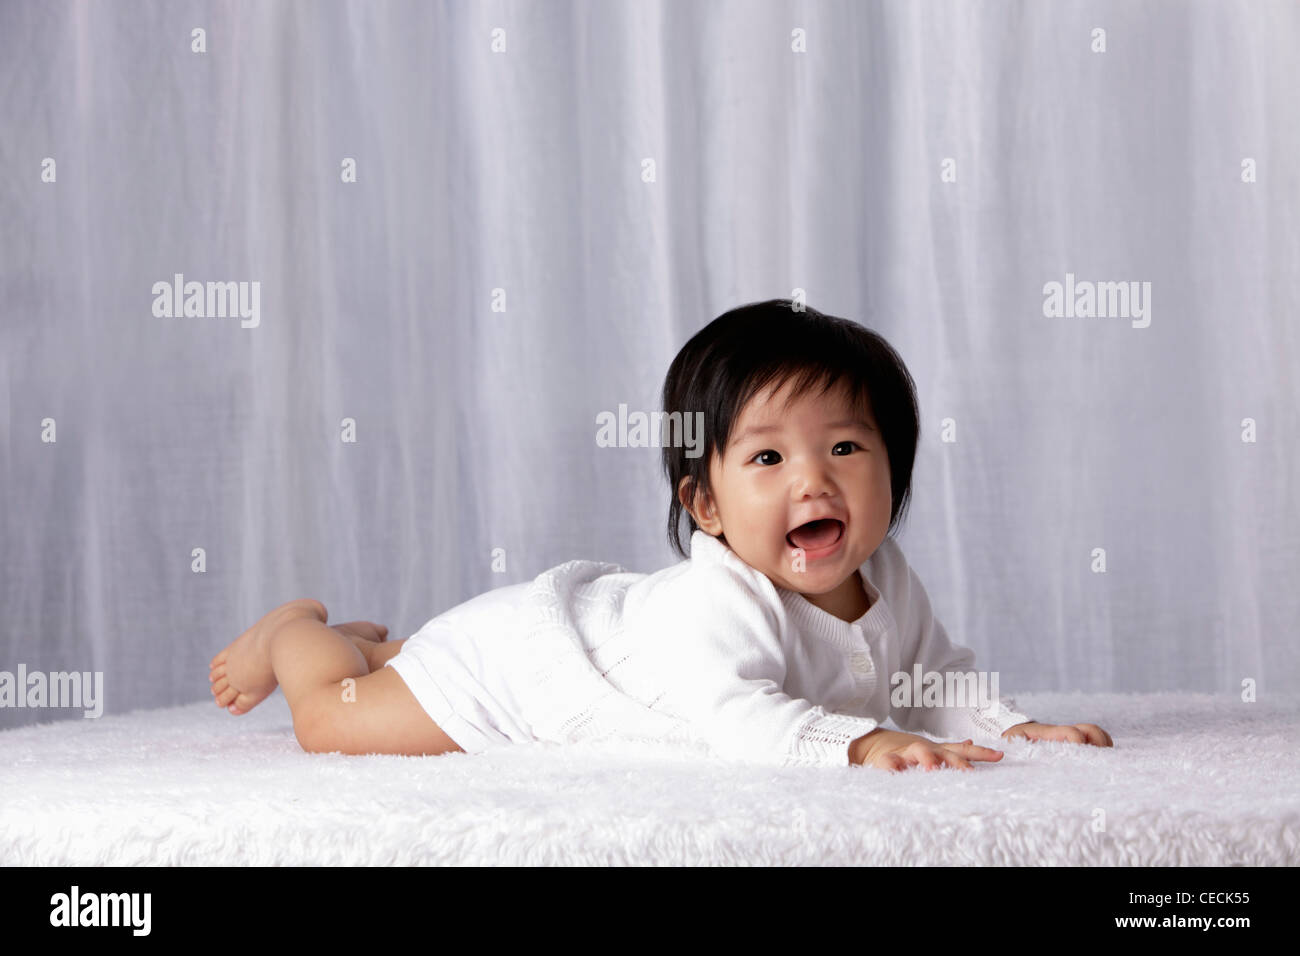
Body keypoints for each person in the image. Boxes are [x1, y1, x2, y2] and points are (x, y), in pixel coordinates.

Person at [209, 298, 1113, 771]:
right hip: (530, 672)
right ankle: (301, 635)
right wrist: (859, 744)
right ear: (706, 506)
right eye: (766, 459)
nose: (813, 478)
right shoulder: (723, 602)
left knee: (409, 659)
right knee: (332, 722)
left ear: (894, 467)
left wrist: (1015, 725)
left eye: (846, 446)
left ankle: (388, 647)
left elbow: (932, 677)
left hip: (607, 636)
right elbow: (741, 720)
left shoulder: (889, 579)